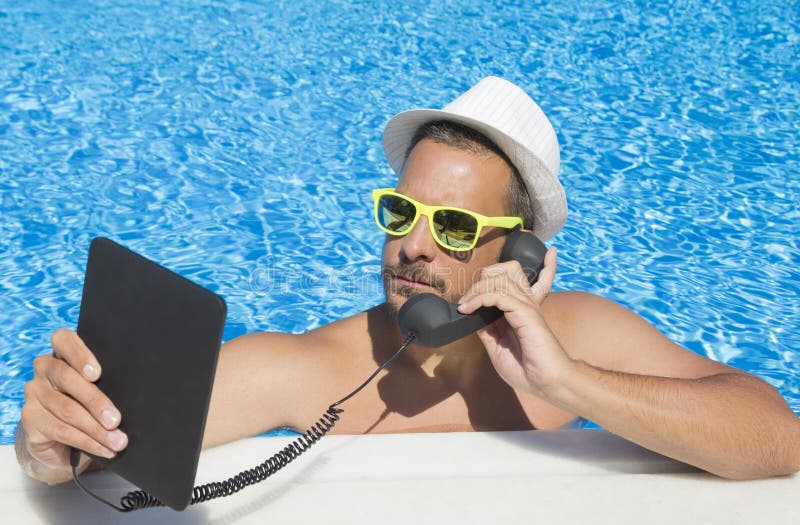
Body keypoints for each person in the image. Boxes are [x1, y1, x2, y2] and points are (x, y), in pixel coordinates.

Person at [15, 77, 800, 486]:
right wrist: (47, 440)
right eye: (401, 211)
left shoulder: (584, 334)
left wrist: (569, 384)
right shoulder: (310, 368)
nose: (413, 246)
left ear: (518, 255)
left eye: (452, 226)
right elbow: (91, 446)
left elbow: (775, 437)